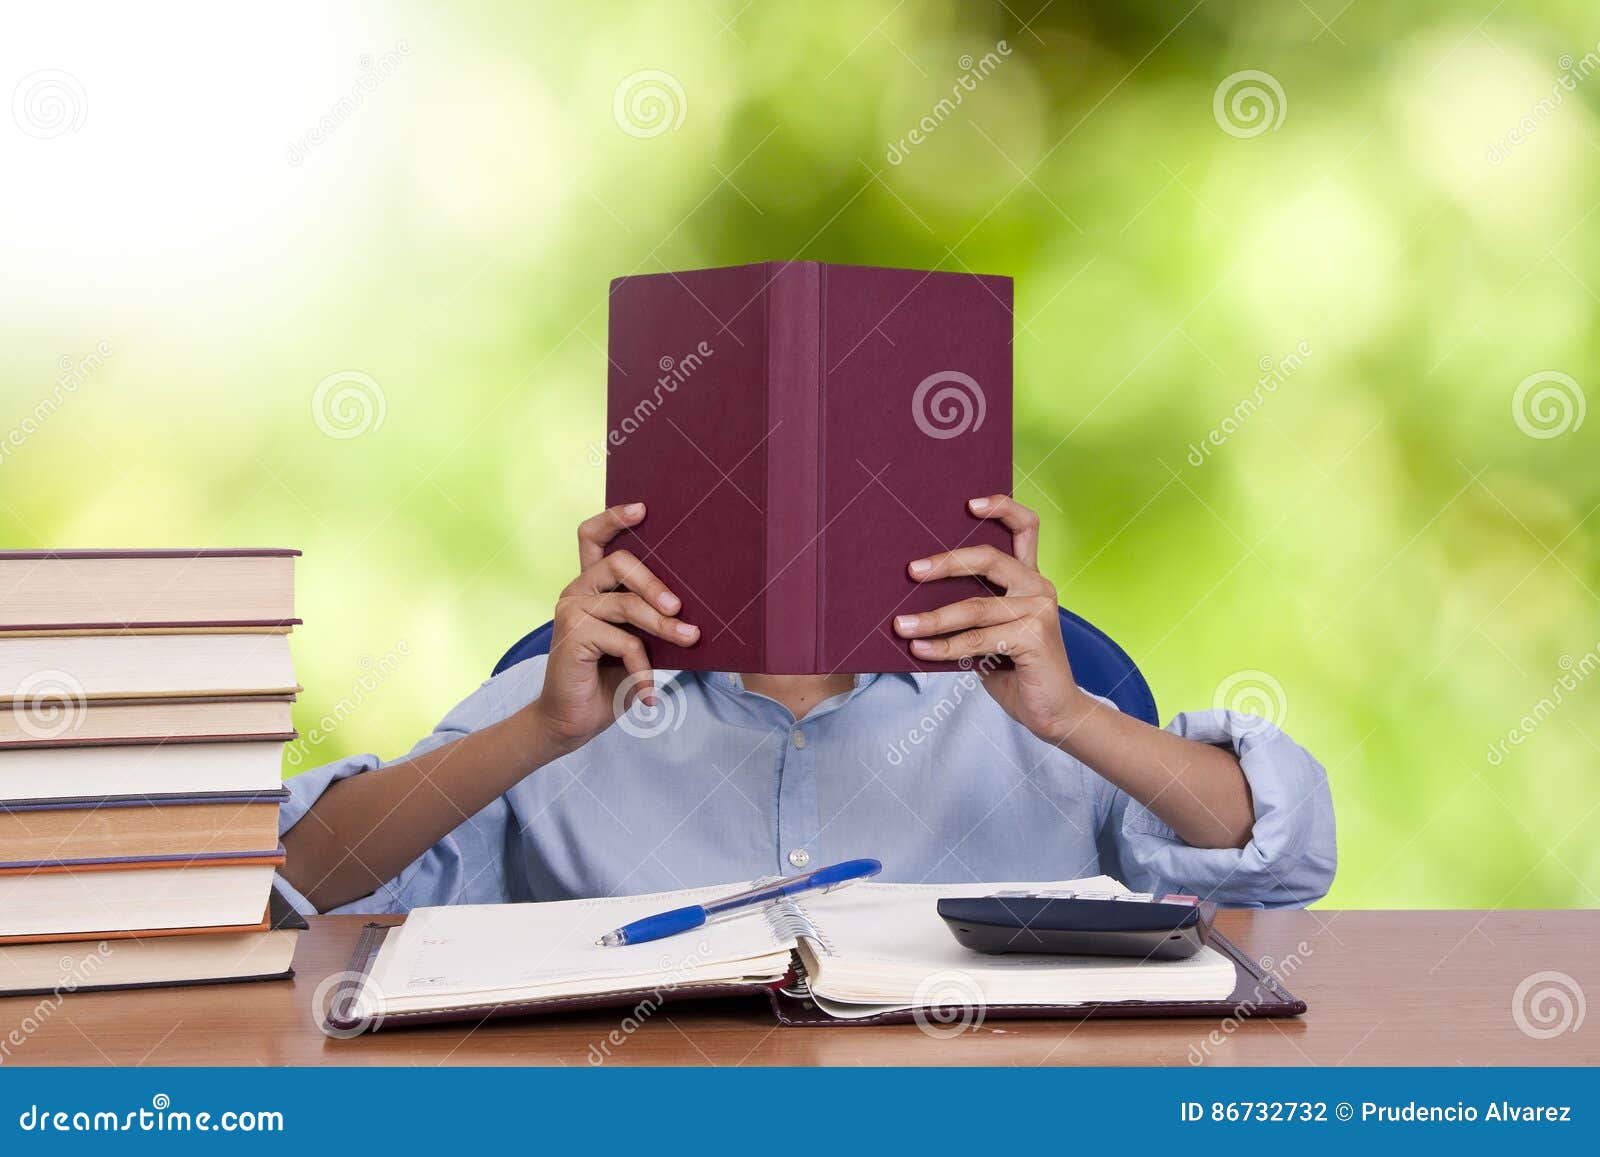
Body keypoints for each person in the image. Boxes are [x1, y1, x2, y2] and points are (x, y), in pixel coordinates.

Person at [278, 496, 1335, 915]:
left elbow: (1279, 858)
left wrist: (1074, 720)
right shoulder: (567, 697)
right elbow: (302, 879)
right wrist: (537, 732)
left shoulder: (1032, 708)